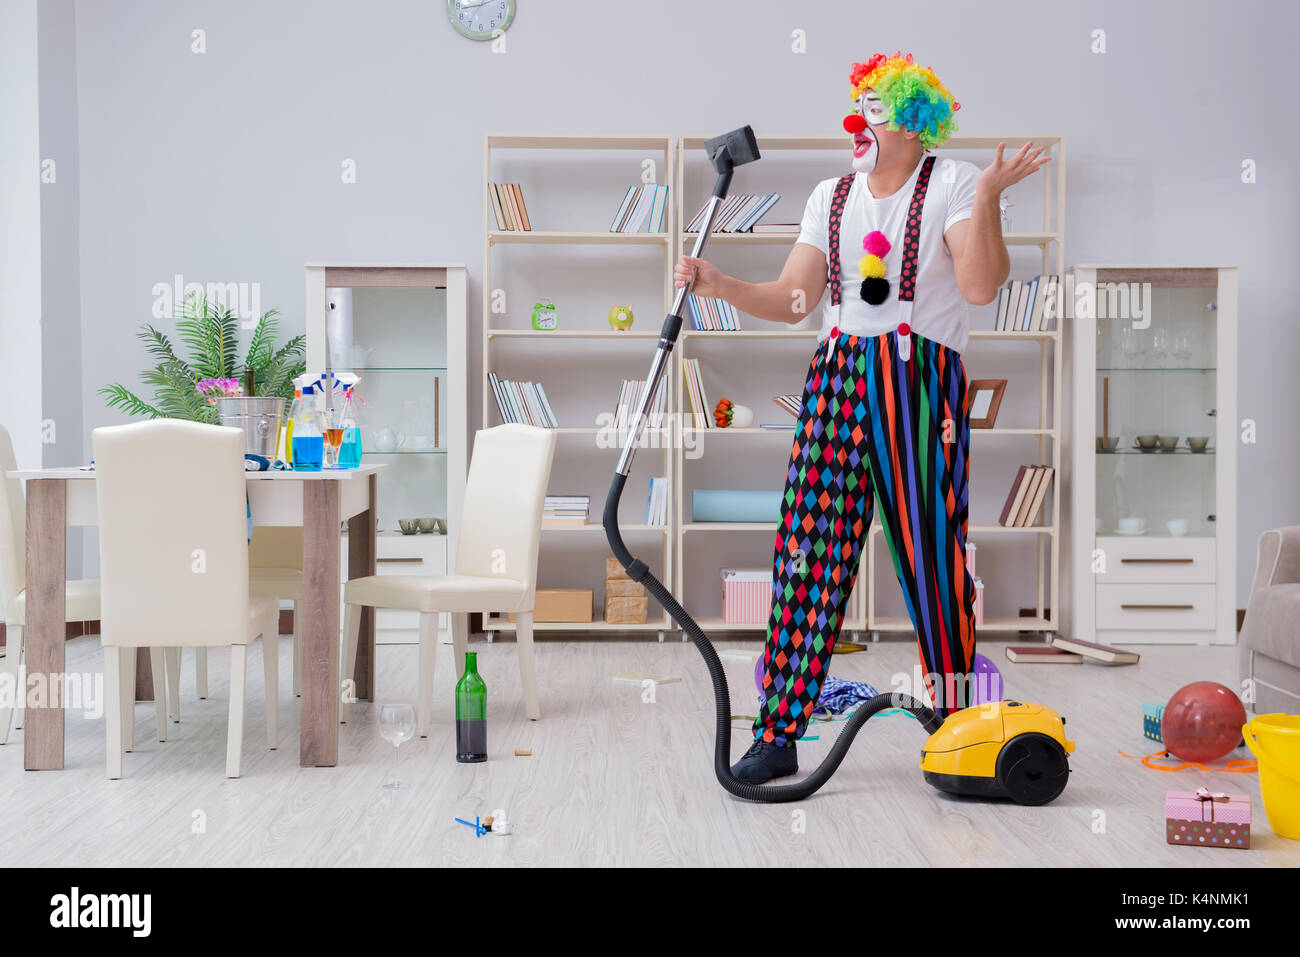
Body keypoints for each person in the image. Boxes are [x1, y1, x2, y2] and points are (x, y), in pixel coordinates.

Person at [674, 52, 1049, 784]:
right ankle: (779, 731)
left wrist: (992, 195)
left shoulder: (954, 182)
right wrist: (722, 283)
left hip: (918, 379)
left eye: (874, 109)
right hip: (837, 375)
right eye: (858, 104)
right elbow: (795, 300)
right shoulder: (832, 195)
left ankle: (958, 727)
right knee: (806, 550)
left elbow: (979, 287)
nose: (857, 119)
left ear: (912, 124)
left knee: (932, 553)